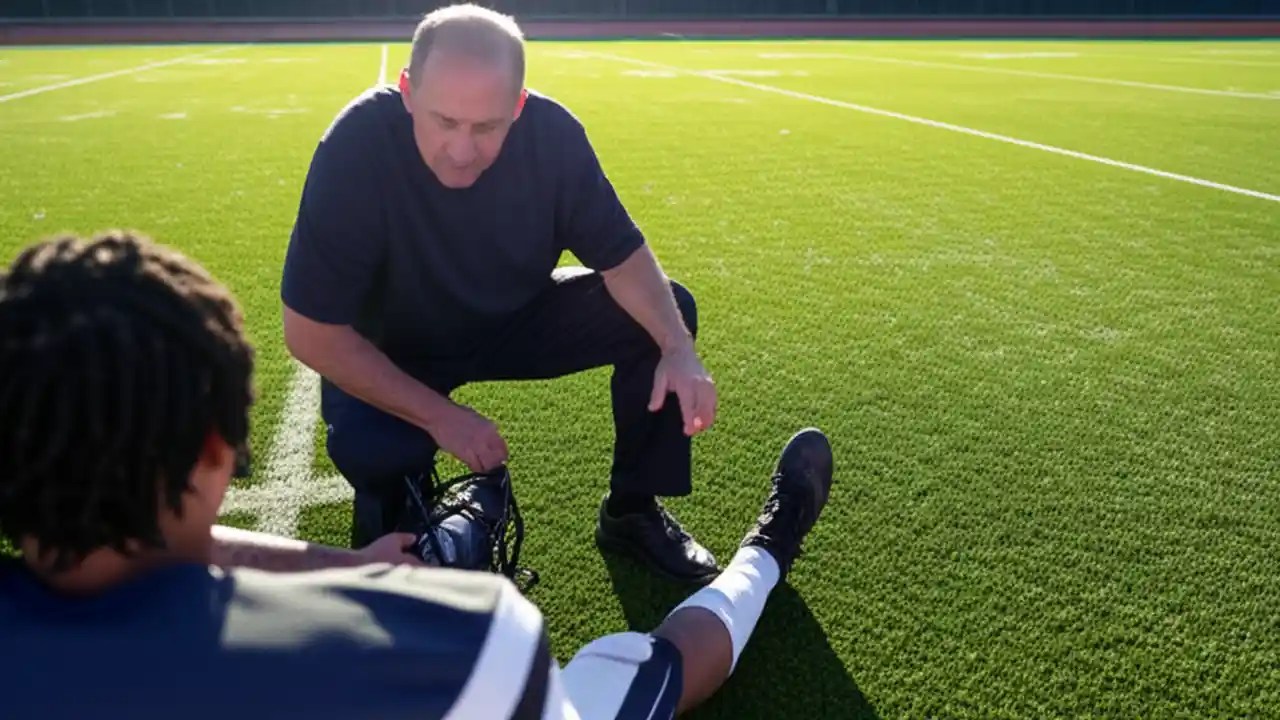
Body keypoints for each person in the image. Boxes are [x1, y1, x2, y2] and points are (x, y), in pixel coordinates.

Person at [0, 231, 835, 719]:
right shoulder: (451, 643)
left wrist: (335, 565)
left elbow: (143, 554)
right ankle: (766, 552)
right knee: (633, 675)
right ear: (218, 450)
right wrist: (368, 590)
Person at [279, 3, 721, 583]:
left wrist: (677, 346)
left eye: (486, 127)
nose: (462, 150)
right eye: (444, 121)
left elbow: (624, 258)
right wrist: (441, 418)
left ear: (517, 106)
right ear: (408, 92)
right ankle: (395, 516)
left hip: (514, 321)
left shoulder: (553, 139)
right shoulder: (355, 148)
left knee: (666, 314)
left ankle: (632, 512)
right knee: (375, 449)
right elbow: (310, 332)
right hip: (397, 346)